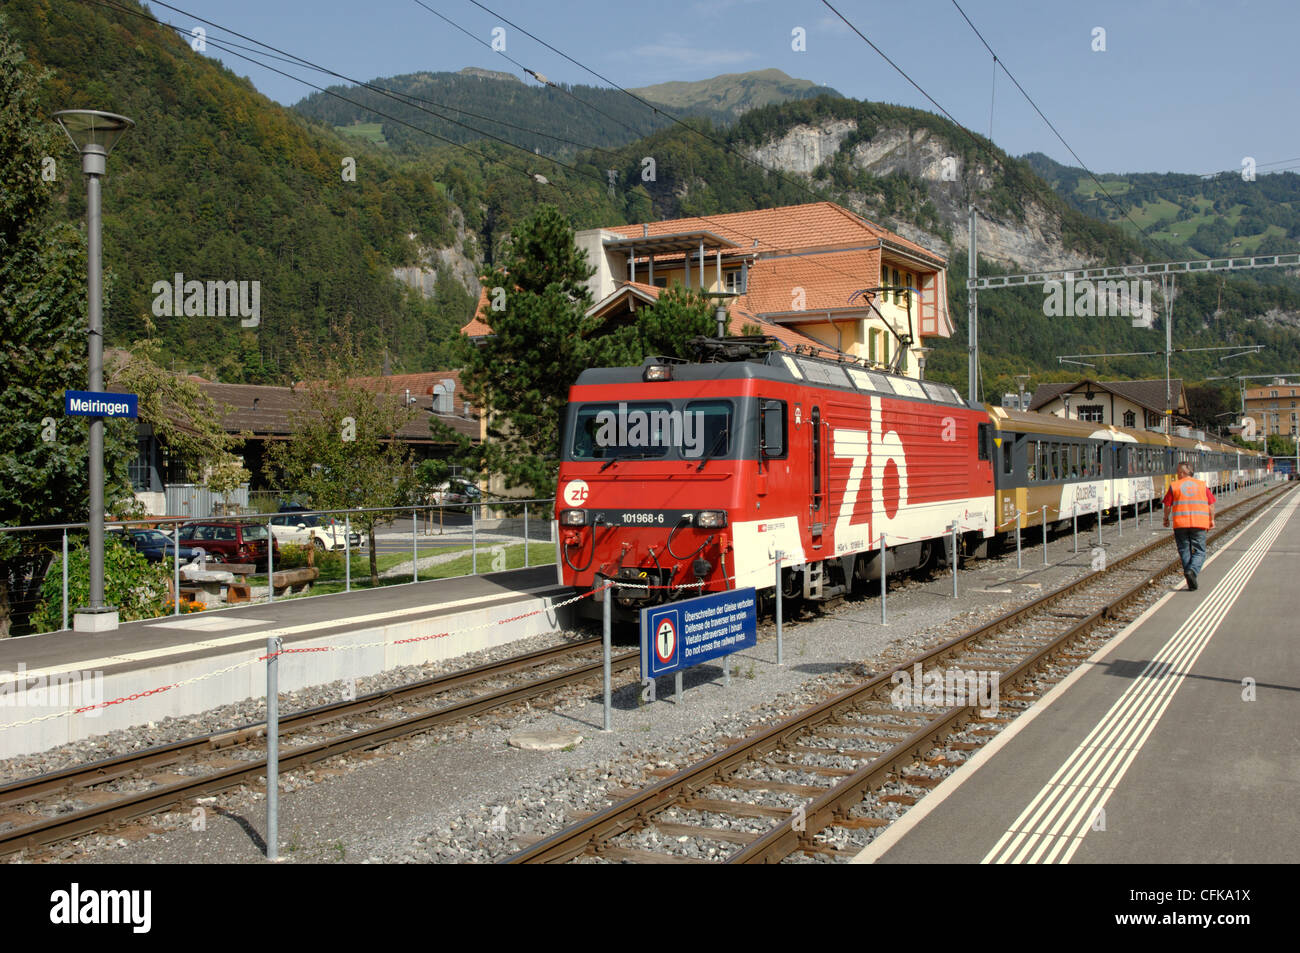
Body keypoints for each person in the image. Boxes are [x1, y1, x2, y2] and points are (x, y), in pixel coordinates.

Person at [1162, 462, 1215, 590]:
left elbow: (1167, 505)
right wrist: (1211, 519)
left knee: (1184, 550)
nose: (1177, 474)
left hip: (1181, 524)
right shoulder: (1202, 485)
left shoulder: (1174, 486)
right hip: (1199, 523)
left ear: (1182, 473)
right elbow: (1211, 504)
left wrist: (1166, 518)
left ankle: (1189, 576)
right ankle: (1192, 572)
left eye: (1177, 472)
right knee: (1200, 551)